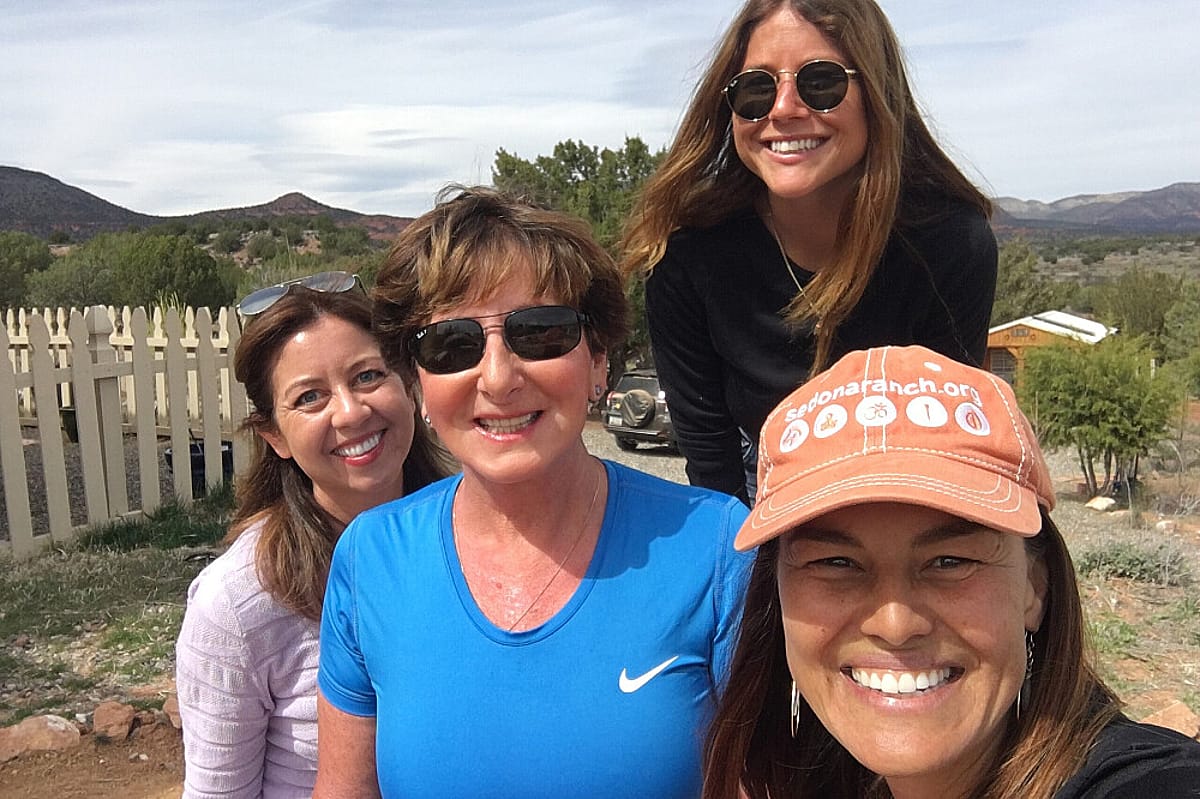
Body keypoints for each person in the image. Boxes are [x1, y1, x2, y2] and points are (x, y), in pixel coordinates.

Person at [314, 186, 754, 798]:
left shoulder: (716, 549)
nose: (497, 377)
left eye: (539, 333)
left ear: (599, 361)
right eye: (452, 345)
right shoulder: (372, 558)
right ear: (416, 380)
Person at [703, 344, 1200, 798]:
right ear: (779, 595)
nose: (895, 625)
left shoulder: (1144, 783)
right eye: (836, 563)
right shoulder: (803, 778)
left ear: (1035, 586)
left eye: (950, 562)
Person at [621, 0, 998, 503]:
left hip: (903, 493)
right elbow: (713, 469)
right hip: (762, 493)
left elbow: (947, 443)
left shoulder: (949, 245)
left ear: (876, 93)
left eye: (820, 82)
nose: (782, 110)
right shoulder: (688, 255)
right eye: (756, 89)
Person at [175, 275, 452, 798]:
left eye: (368, 376)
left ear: (409, 384)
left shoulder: (480, 536)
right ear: (274, 435)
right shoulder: (237, 604)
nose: (350, 412)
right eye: (310, 397)